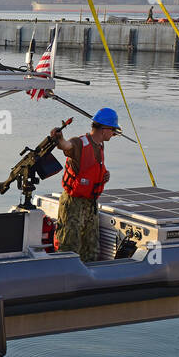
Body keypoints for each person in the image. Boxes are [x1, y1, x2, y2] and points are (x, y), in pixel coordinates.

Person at [52, 107, 116, 261]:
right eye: (113, 130)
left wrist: (103, 176)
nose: (114, 134)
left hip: (90, 204)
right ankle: (66, 278)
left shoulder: (100, 145)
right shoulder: (79, 143)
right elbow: (65, 146)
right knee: (69, 247)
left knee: (91, 249)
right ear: (104, 129)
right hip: (73, 204)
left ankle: (88, 278)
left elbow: (92, 168)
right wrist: (59, 138)